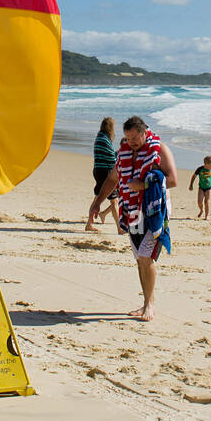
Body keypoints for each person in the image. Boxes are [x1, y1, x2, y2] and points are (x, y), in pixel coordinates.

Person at [90, 115, 178, 321]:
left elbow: (172, 180)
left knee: (146, 256)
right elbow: (113, 179)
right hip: (132, 211)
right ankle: (146, 302)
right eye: (127, 139)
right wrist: (96, 204)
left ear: (144, 132)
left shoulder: (159, 149)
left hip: (154, 210)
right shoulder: (124, 154)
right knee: (140, 259)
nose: (131, 142)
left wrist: (144, 185)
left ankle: (150, 305)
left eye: (135, 138)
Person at [85, 116, 122, 232]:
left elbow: (108, 155)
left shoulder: (99, 137)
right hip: (105, 172)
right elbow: (111, 159)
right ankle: (119, 228)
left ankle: (89, 223)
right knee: (114, 200)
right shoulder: (105, 139)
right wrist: (119, 154)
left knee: (97, 198)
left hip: (98, 170)